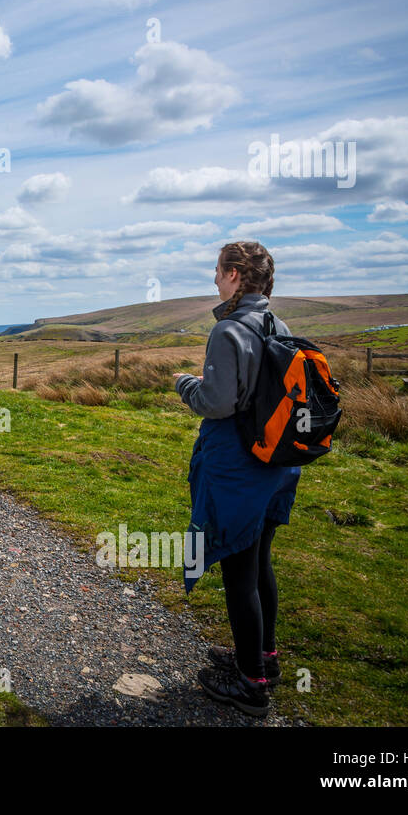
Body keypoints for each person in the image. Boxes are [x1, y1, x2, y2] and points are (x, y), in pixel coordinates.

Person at [172, 240, 301, 719]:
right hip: (274, 463)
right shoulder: (277, 324)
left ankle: (251, 687)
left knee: (238, 574)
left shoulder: (228, 330)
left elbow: (218, 402)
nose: (213, 276)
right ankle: (265, 658)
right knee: (260, 561)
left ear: (233, 276)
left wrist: (186, 384)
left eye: (217, 269)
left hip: (238, 465)